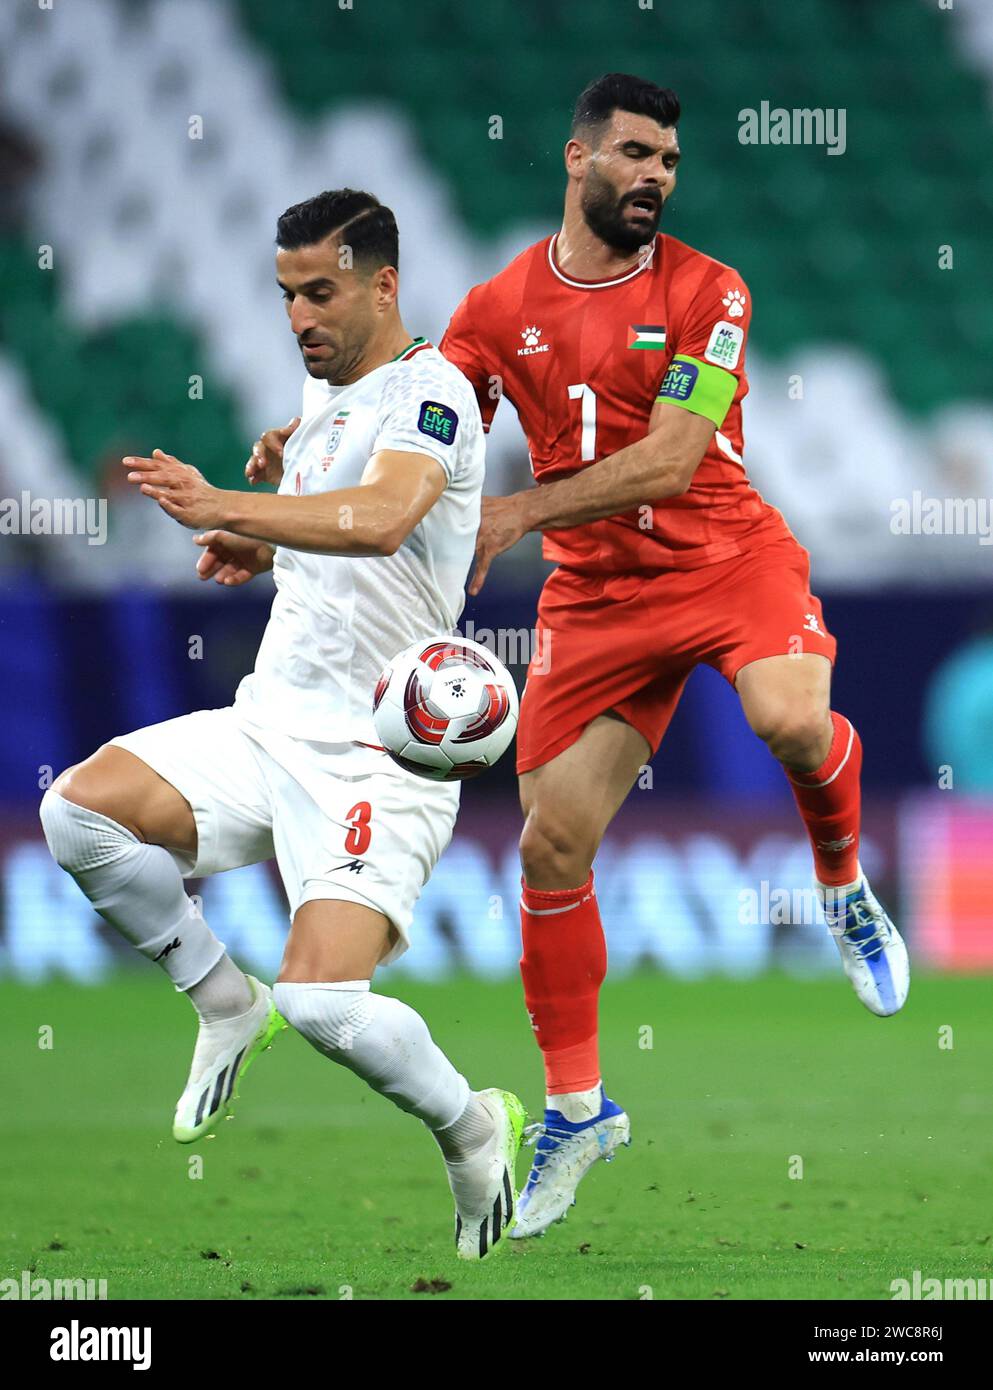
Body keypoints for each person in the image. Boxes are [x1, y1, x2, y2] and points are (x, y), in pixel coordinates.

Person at [437, 73, 910, 1237]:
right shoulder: (496, 310)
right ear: (578, 157)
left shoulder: (710, 290)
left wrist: (517, 511)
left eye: (671, 162)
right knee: (550, 843)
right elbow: (423, 423)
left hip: (724, 555)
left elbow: (672, 456)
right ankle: (579, 1109)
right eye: (638, 154)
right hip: (598, 597)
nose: (657, 175)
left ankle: (844, 887)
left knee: (792, 721)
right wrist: (314, 435)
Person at [39, 188, 523, 1262]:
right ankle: (220, 997)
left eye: (321, 291)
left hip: (375, 757)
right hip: (269, 724)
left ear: (383, 283)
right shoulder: (319, 399)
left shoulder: (432, 392)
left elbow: (389, 514)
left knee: (325, 1006)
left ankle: (472, 1126)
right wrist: (267, 545)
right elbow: (339, 527)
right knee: (75, 814)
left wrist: (229, 508)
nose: (300, 315)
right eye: (285, 294)